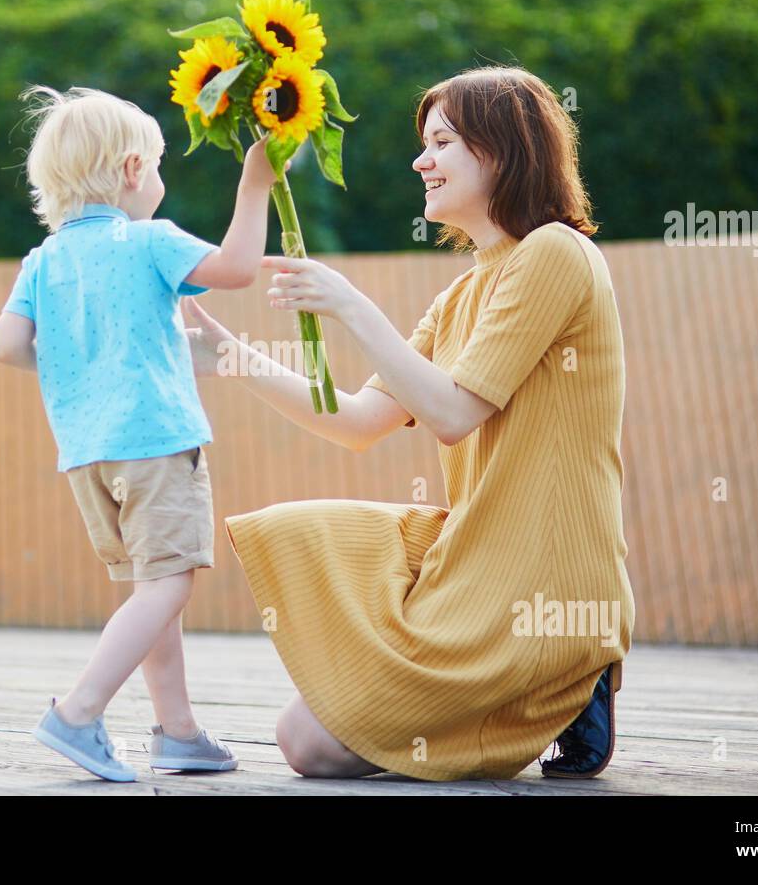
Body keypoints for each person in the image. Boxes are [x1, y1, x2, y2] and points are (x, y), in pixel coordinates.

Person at [183, 65, 635, 781]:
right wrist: (229, 358)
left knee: (312, 746)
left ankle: (572, 677)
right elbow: (360, 421)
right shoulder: (461, 293)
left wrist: (350, 305)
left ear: (504, 149)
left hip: (544, 578)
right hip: (476, 553)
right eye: (425, 144)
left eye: (442, 142)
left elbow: (454, 414)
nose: (421, 161)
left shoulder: (557, 253)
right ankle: (541, 689)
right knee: (303, 734)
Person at [0, 85, 281, 781]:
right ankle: (78, 713)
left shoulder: (44, 259)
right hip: (155, 444)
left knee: (150, 589)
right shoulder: (150, 239)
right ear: (129, 171)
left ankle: (177, 732)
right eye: (154, 166)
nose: (158, 179)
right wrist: (256, 182)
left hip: (88, 456)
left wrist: (82, 364)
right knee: (169, 587)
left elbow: (6, 345)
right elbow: (239, 269)